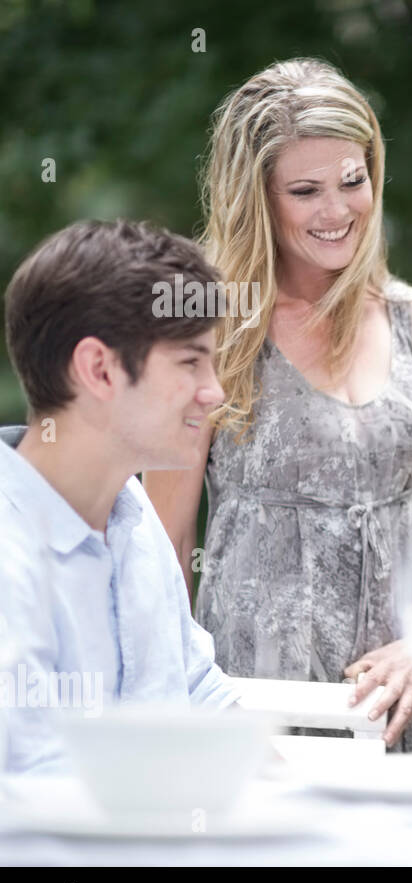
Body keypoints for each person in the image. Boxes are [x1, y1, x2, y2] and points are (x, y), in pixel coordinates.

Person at [144, 59, 412, 750]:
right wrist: (170, 709)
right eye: (305, 191)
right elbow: (164, 544)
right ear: (259, 197)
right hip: (253, 704)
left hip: (402, 700)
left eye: (352, 181)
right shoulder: (209, 329)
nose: (337, 212)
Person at [1, 220, 240, 774]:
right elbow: (35, 798)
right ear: (99, 369)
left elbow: (200, 691)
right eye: (190, 361)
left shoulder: (134, 517)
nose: (215, 390)